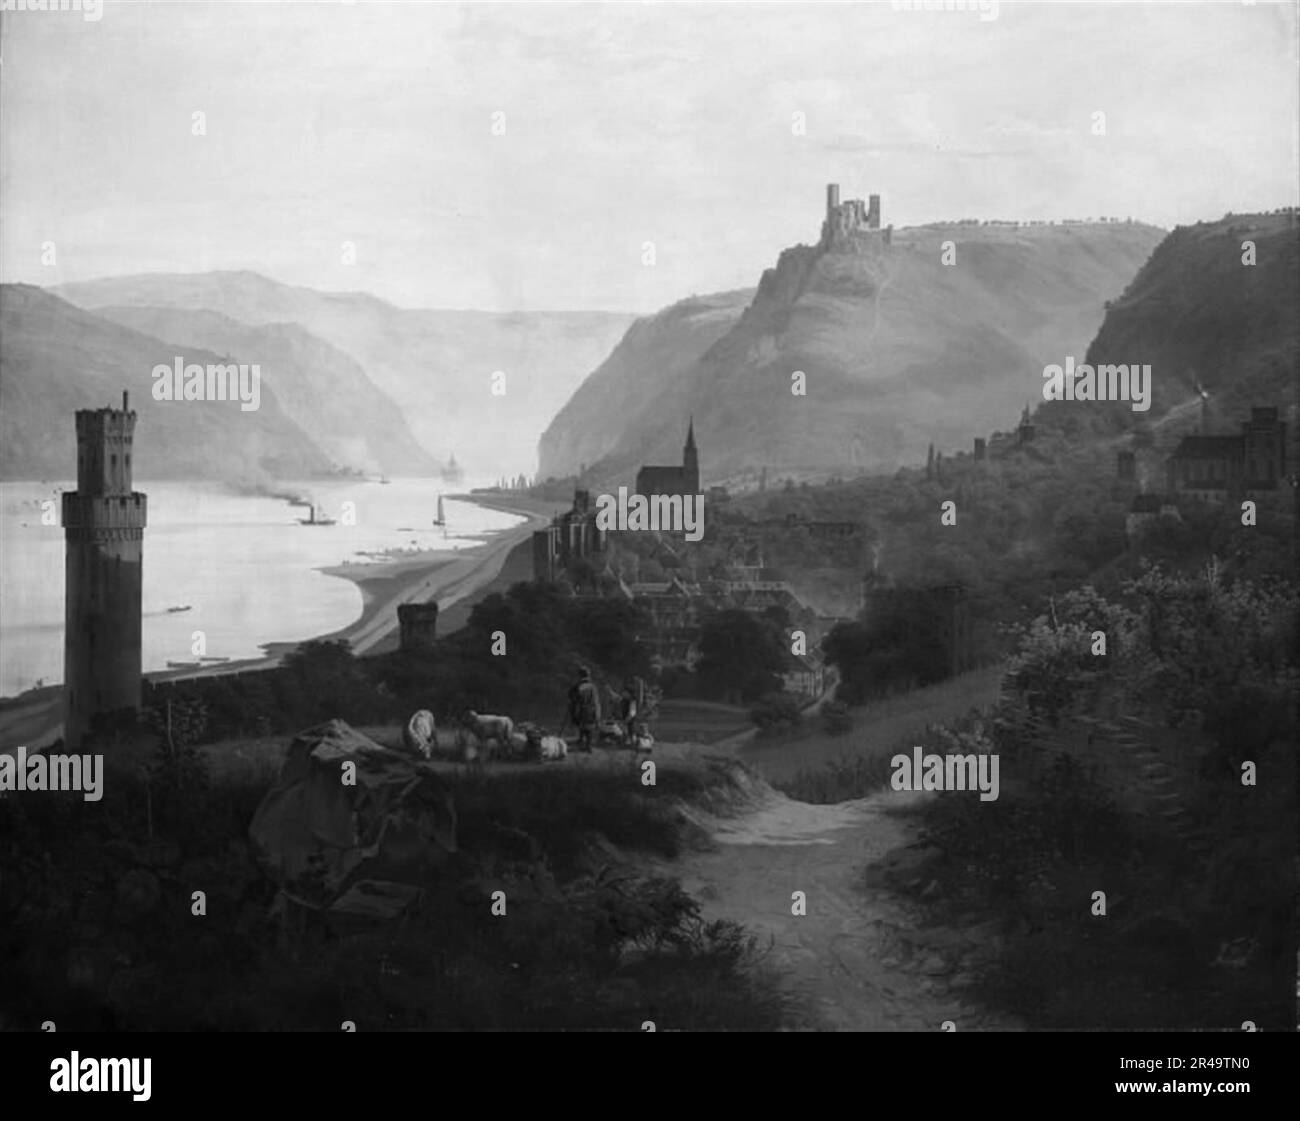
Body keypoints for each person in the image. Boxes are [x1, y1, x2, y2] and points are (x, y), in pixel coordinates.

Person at [567, 666, 602, 753]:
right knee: (588, 728)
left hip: (582, 710)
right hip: (591, 710)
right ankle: (586, 745)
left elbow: (571, 696)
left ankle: (585, 744)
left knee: (584, 727)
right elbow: (596, 701)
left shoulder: (578, 686)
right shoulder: (593, 686)